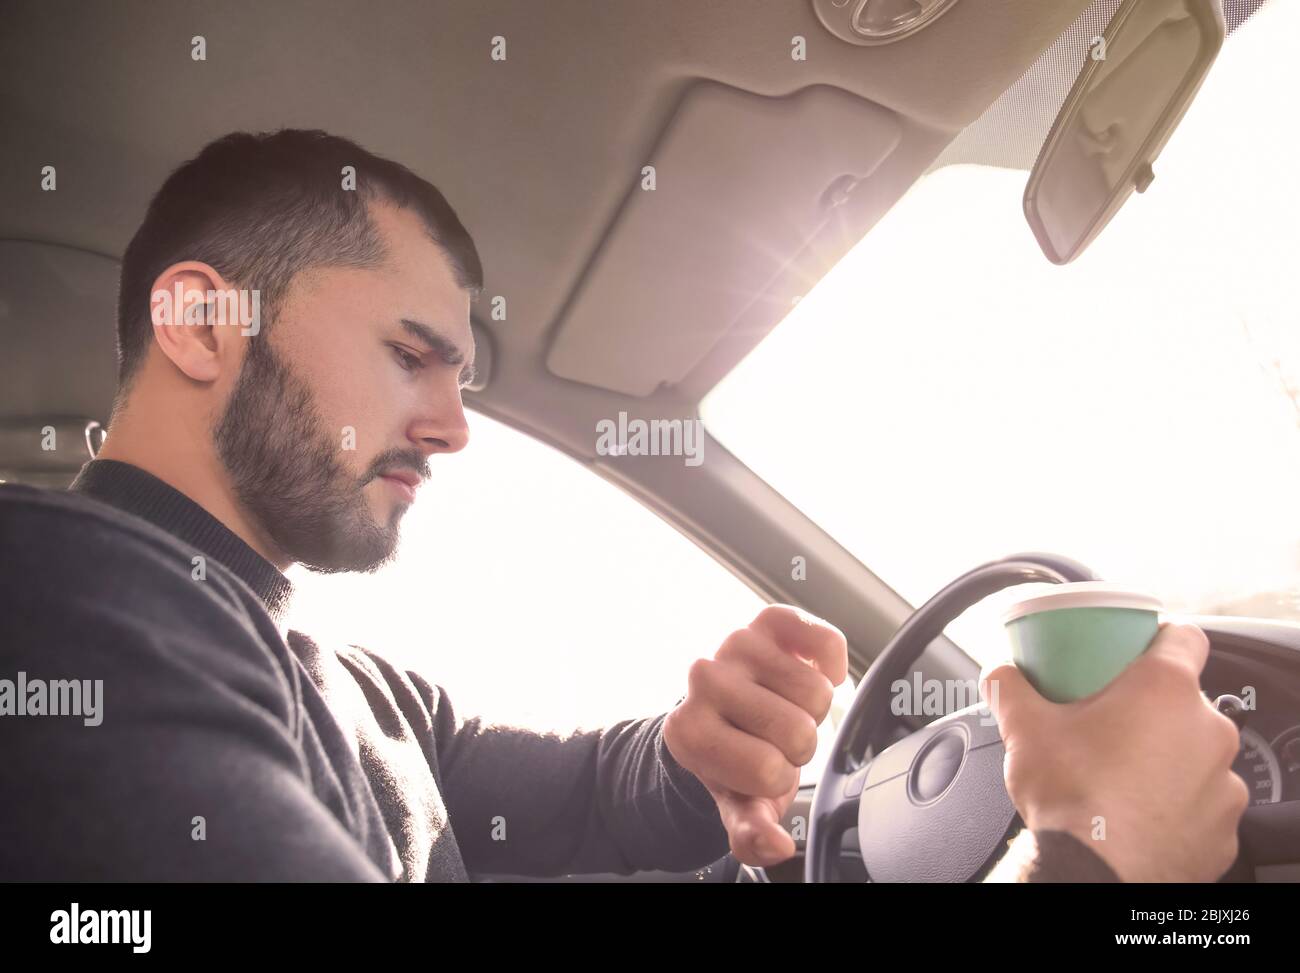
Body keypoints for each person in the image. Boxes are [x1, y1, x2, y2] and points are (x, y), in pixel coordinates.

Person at [0, 129, 1245, 882]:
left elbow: (584, 797)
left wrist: (700, 749)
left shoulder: (352, 685)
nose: (451, 424)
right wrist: (1091, 849)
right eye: (409, 352)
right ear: (200, 323)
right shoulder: (55, 604)